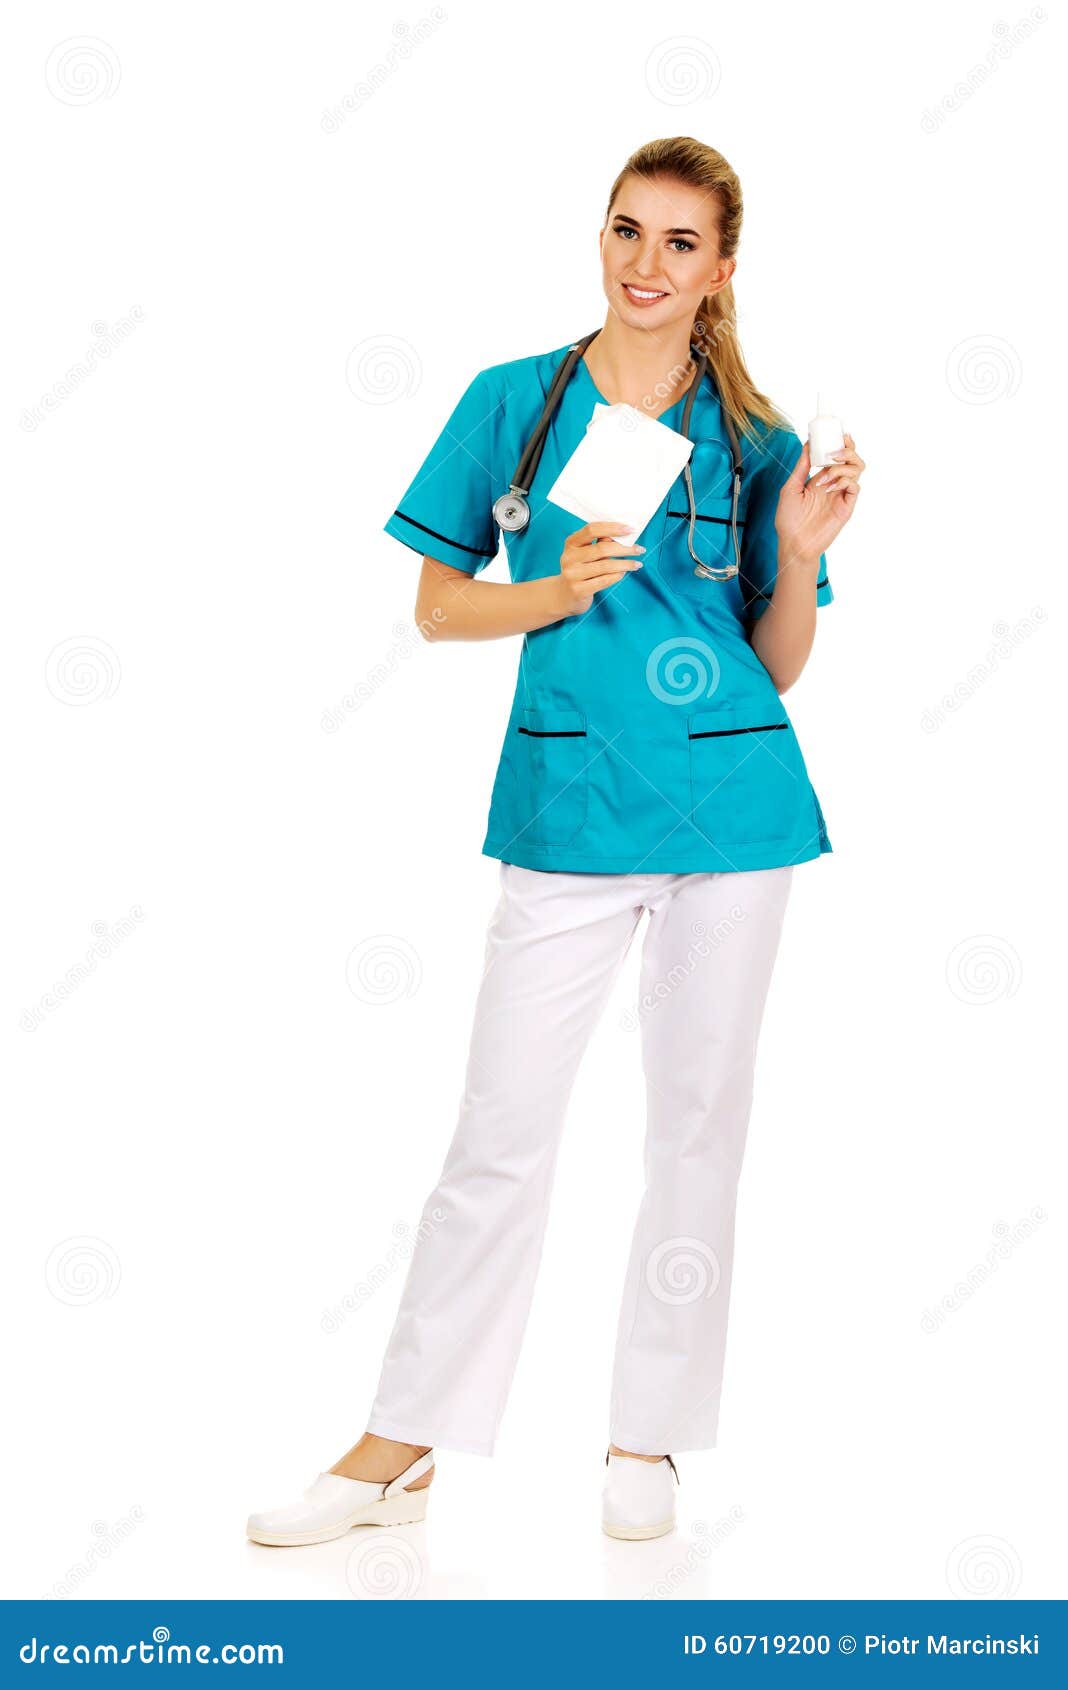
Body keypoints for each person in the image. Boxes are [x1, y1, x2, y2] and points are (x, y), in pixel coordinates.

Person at [247, 135, 864, 1549]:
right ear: (601, 238)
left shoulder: (757, 439)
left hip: (735, 814)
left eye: (681, 243)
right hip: (568, 809)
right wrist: (553, 590)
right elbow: (435, 607)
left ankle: (648, 1438)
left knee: (699, 1129)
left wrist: (803, 550)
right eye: (627, 230)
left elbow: (775, 663)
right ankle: (400, 1445)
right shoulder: (514, 403)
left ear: (721, 271)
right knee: (501, 1132)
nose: (647, 264)